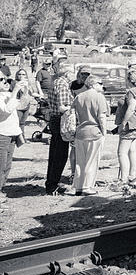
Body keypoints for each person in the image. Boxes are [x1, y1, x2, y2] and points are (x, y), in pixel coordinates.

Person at [72, 74, 108, 196]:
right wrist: (104, 133)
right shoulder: (99, 97)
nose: (102, 86)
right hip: (94, 132)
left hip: (80, 132)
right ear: (93, 84)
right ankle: (87, 187)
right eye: (100, 83)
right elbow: (102, 117)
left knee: (79, 162)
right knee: (91, 161)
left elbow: (74, 115)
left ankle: (78, 187)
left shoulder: (79, 96)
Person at [44, 56, 73, 195]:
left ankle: (51, 183)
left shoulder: (55, 82)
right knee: (60, 155)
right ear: (67, 72)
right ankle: (52, 185)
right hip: (60, 120)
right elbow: (62, 107)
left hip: (55, 120)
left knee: (55, 154)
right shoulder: (62, 84)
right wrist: (74, 109)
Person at [115, 70, 136, 187]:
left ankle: (123, 179)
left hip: (130, 124)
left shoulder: (131, 92)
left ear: (128, 80)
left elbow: (131, 108)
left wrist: (123, 123)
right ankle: (132, 177)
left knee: (122, 153)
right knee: (132, 150)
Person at [0, 78, 23, 204]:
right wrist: (15, 91)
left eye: (5, 79)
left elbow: (20, 103)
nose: (5, 82)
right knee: (1, 166)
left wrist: (20, 89)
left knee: (7, 166)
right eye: (0, 79)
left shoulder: (7, 94)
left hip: (12, 134)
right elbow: (6, 110)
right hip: (2, 134)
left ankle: (1, 189)